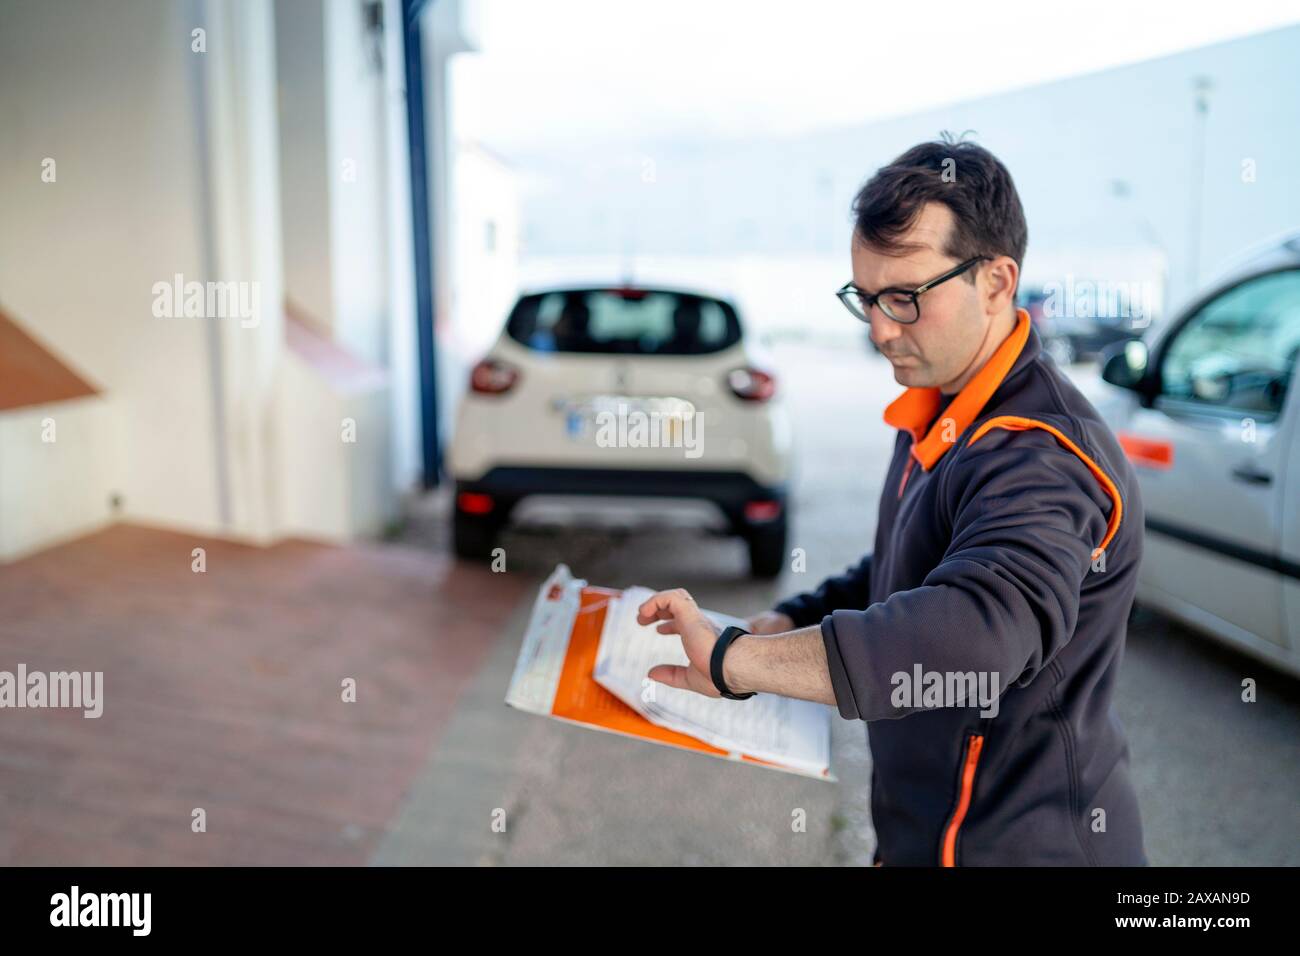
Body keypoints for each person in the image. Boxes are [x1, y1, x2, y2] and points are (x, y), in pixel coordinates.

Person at [637, 137, 1147, 866]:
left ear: (998, 283)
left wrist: (735, 663)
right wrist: (783, 622)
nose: (879, 329)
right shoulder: (942, 403)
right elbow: (911, 562)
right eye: (865, 297)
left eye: (905, 296)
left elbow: (976, 632)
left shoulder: (1039, 455)